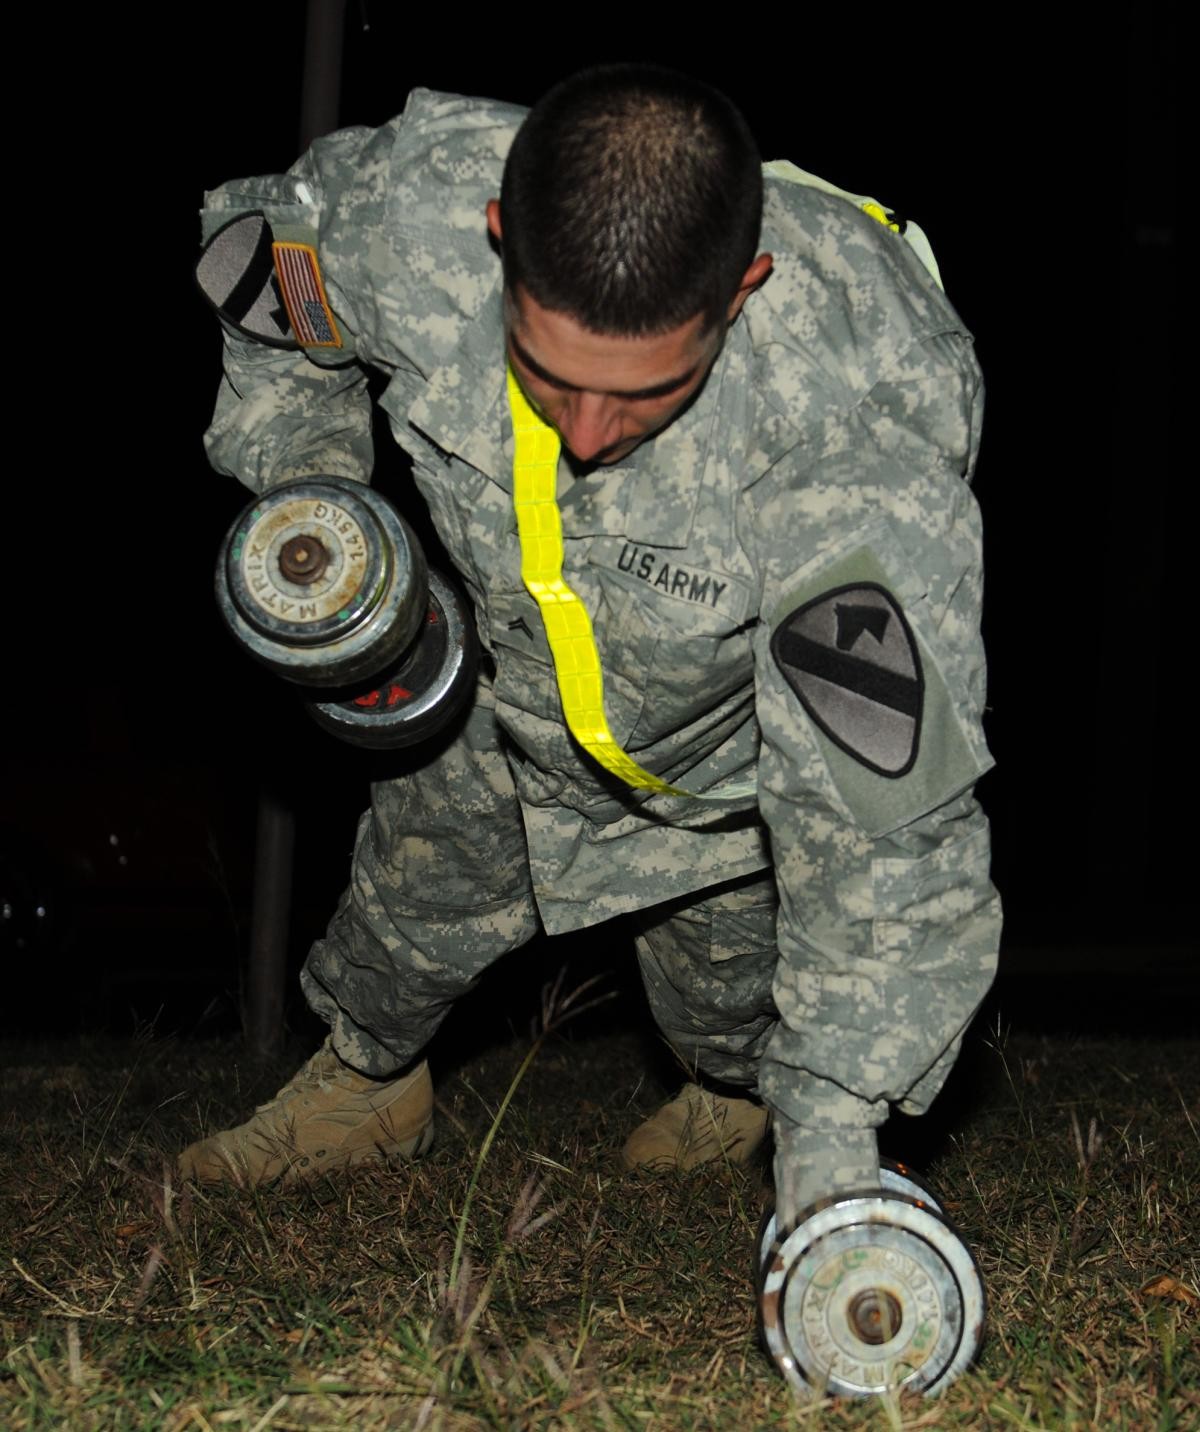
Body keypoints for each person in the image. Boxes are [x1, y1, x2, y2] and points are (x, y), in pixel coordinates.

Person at [183, 65, 1001, 1231]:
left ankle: (734, 1091)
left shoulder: (853, 428)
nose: (587, 432)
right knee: (407, 912)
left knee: (726, 1015)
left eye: (645, 393)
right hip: (496, 689)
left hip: (709, 770)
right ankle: (368, 1085)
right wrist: (310, 498)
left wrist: (831, 1161)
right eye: (550, 374)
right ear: (500, 240)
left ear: (744, 290)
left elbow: (889, 823)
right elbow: (253, 260)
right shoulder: (402, 216)